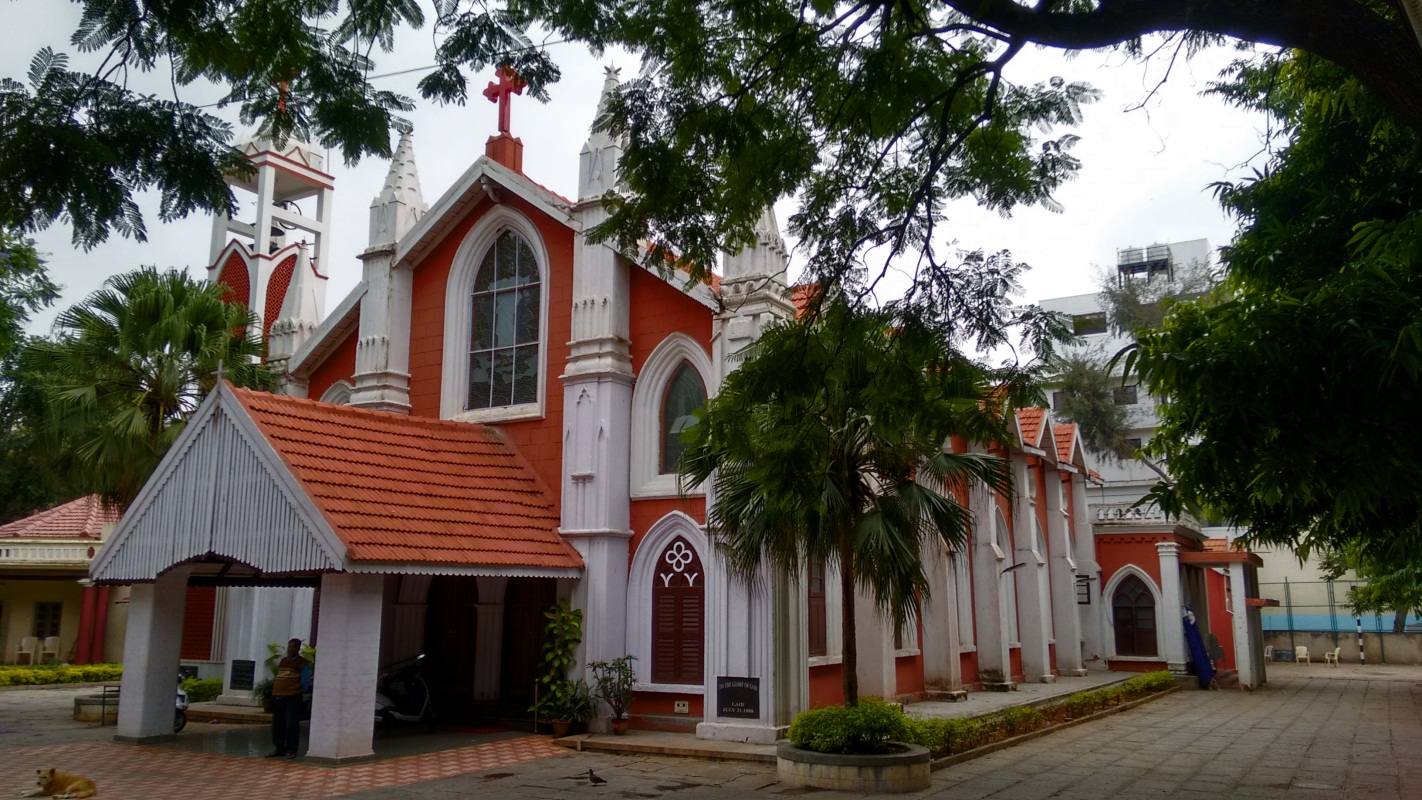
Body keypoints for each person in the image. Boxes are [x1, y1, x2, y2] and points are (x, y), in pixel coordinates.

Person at [266, 638, 309, 759]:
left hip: (293, 697)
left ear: (298, 648)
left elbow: (305, 681)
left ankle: (291, 749)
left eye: (294, 647)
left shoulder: (302, 663)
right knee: (278, 724)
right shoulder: (283, 661)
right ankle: (279, 748)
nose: (291, 649)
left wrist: (298, 692)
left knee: (291, 724)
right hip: (278, 696)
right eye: (289, 646)